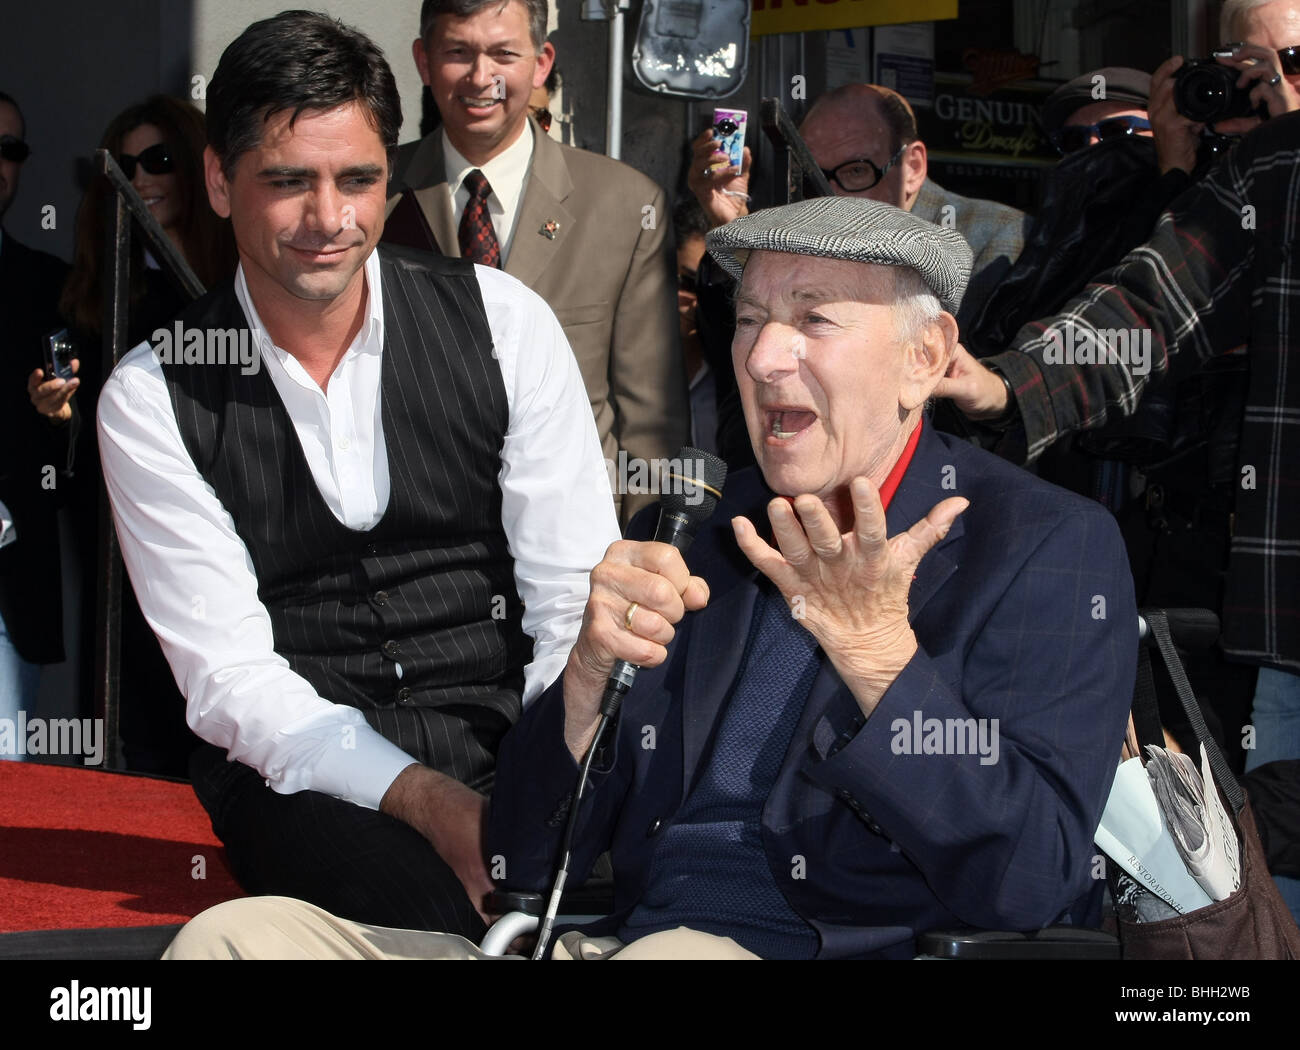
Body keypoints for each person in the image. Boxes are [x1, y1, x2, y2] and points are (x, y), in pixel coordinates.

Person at [163, 196, 1138, 960]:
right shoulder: (707, 537)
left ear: (924, 355)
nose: (761, 356)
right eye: (750, 317)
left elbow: (1034, 882)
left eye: (813, 318)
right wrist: (584, 682)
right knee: (233, 942)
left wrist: (883, 663)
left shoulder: (1043, 547)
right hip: (609, 945)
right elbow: (520, 859)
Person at [96, 11, 619, 940]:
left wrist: (548, 784)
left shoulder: (504, 323)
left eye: (359, 179)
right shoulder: (152, 397)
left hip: (518, 740)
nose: (329, 220)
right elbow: (234, 682)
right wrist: (423, 799)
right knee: (431, 922)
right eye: (288, 182)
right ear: (219, 182)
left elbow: (570, 595)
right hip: (306, 775)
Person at [936, 108, 1300, 921]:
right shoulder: (1282, 163)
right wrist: (1011, 385)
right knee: (1263, 927)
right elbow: (1149, 306)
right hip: (1289, 646)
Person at [384, 0, 688, 524]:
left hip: (575, 546)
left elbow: (650, 419)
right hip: (414, 544)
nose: (482, 78)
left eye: (503, 54)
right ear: (423, 61)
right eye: (458, 52)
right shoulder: (373, 191)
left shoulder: (623, 205)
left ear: (542, 62)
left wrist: (644, 550)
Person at [25, 95, 237, 775]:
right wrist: (59, 416)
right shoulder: (94, 294)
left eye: (160, 160)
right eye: (125, 164)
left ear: (198, 172)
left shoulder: (240, 282)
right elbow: (77, 437)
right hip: (123, 537)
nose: (142, 177)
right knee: (133, 717)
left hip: (224, 531)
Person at [0, 89, 70, 737]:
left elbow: (79, 456)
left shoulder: (51, 287)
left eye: (9, 149)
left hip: (9, 587)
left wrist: (59, 419)